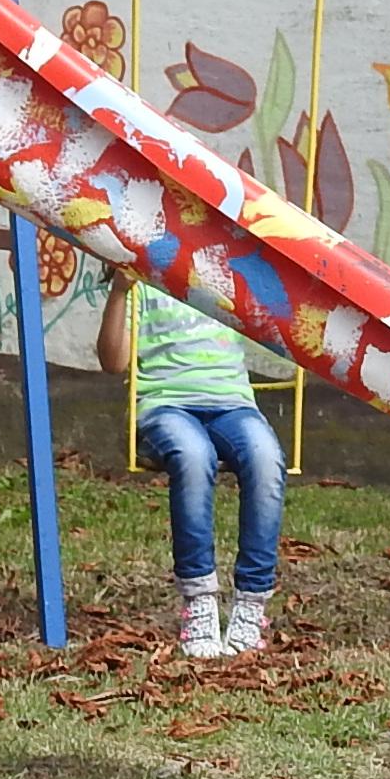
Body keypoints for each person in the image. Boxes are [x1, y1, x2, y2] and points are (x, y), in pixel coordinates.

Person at [95, 269, 285, 658]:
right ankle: (199, 599)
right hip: (167, 404)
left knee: (267, 458)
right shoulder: (141, 278)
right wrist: (119, 293)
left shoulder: (229, 276)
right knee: (194, 457)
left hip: (231, 404)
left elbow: (276, 329)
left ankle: (251, 601)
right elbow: (114, 362)